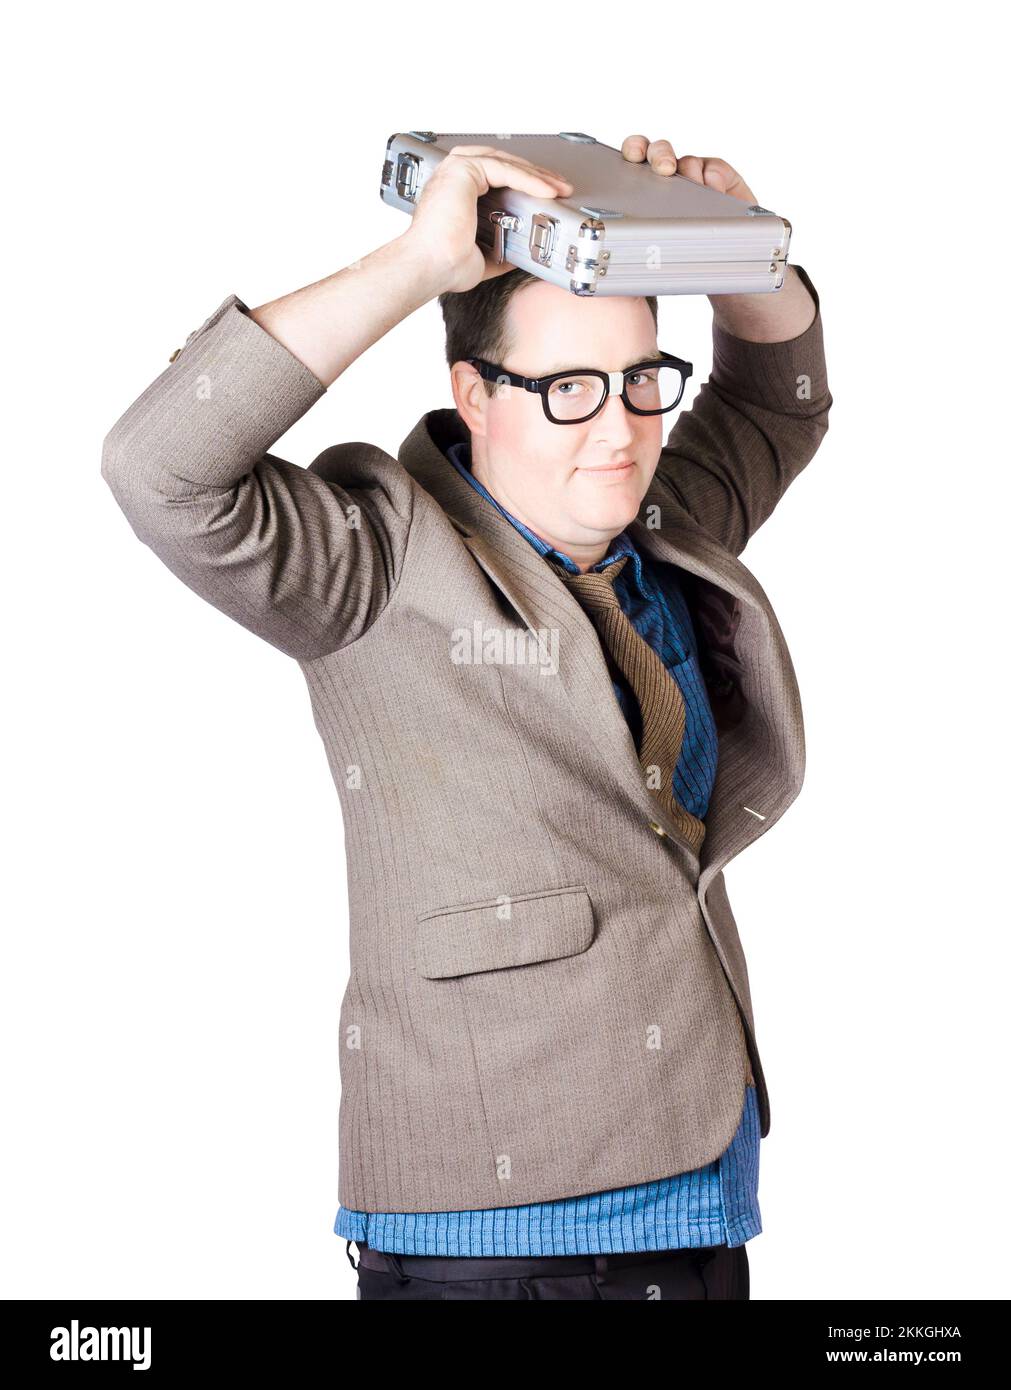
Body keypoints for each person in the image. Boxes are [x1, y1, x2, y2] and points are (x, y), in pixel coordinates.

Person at [101, 133, 831, 1301]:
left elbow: (778, 405)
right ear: (474, 394)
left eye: (644, 378)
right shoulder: (377, 565)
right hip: (501, 1241)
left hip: (701, 1197)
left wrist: (733, 249)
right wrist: (415, 263)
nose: (619, 429)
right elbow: (161, 469)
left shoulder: (656, 520)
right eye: (567, 389)